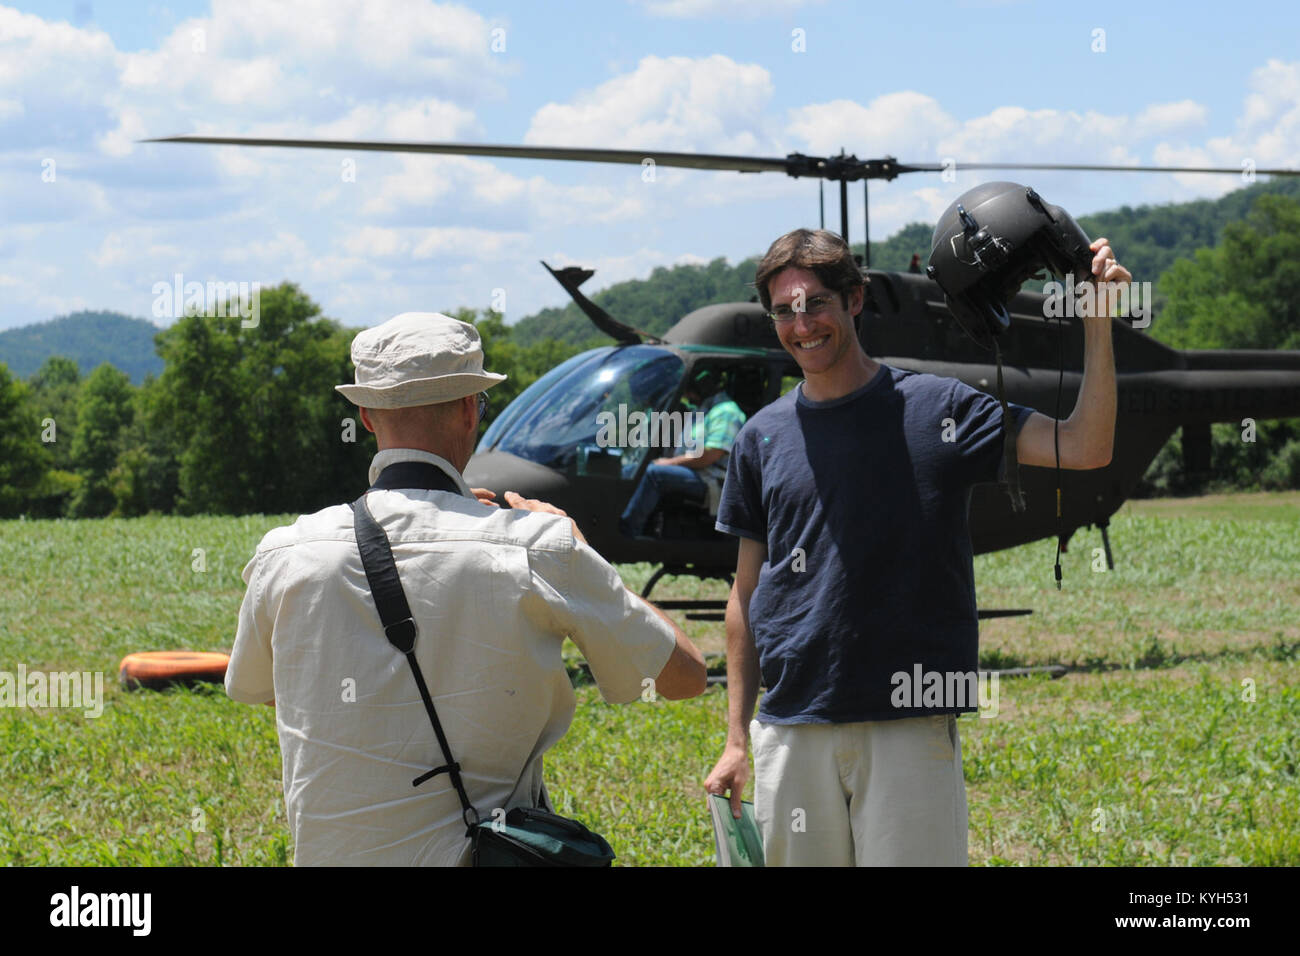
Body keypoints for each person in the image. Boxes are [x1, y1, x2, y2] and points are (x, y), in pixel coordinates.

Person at [704, 228, 1126, 866]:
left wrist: (1097, 323)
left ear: (855, 300)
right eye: (784, 310)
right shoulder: (760, 438)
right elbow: (746, 594)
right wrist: (737, 738)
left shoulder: (938, 409)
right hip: (791, 728)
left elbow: (1086, 444)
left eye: (816, 302)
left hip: (911, 716)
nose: (801, 324)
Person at [226, 311, 706, 866]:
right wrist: (579, 551)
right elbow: (685, 677)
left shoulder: (285, 554)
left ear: (365, 414)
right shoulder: (541, 548)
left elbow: (260, 688)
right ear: (467, 409)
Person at [618, 367, 747, 538]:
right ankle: (617, 519)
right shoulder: (701, 409)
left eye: (689, 390)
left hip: (711, 479)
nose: (687, 395)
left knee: (653, 473)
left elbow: (711, 454)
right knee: (631, 470)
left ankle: (627, 533)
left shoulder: (726, 412)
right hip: (693, 473)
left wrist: (669, 463)